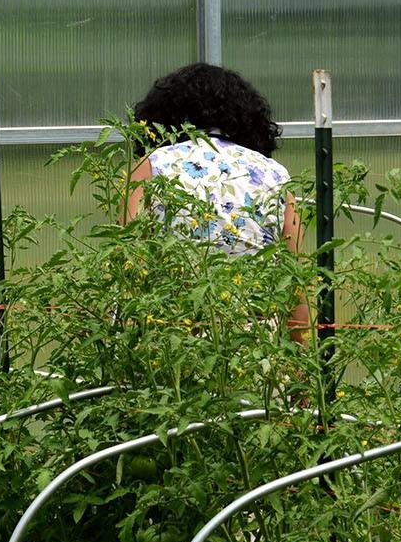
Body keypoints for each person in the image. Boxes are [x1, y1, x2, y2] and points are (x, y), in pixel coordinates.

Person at [126, 62, 310, 337]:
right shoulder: (276, 175)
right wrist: (300, 356)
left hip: (172, 340)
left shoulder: (151, 166)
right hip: (255, 343)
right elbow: (294, 281)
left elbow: (129, 262)